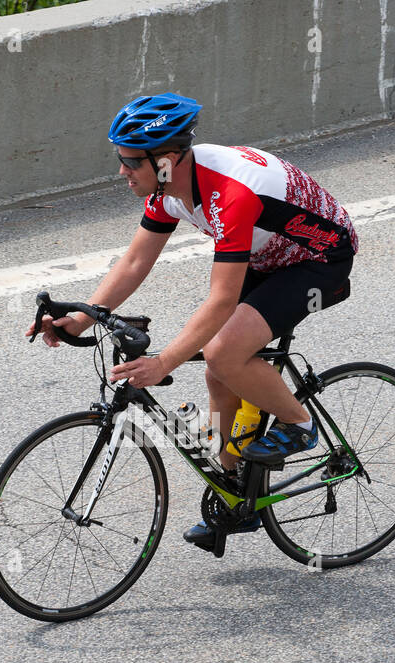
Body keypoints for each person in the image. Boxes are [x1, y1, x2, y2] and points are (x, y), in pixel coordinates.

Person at [27, 93, 358, 549]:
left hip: (318, 261)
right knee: (217, 370)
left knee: (224, 352)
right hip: (268, 256)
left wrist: (162, 363)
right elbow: (134, 263)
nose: (121, 171)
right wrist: (82, 317)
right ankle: (236, 493)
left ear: (164, 160)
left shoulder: (231, 194)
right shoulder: (169, 188)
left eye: (129, 162)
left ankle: (299, 424)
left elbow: (221, 299)